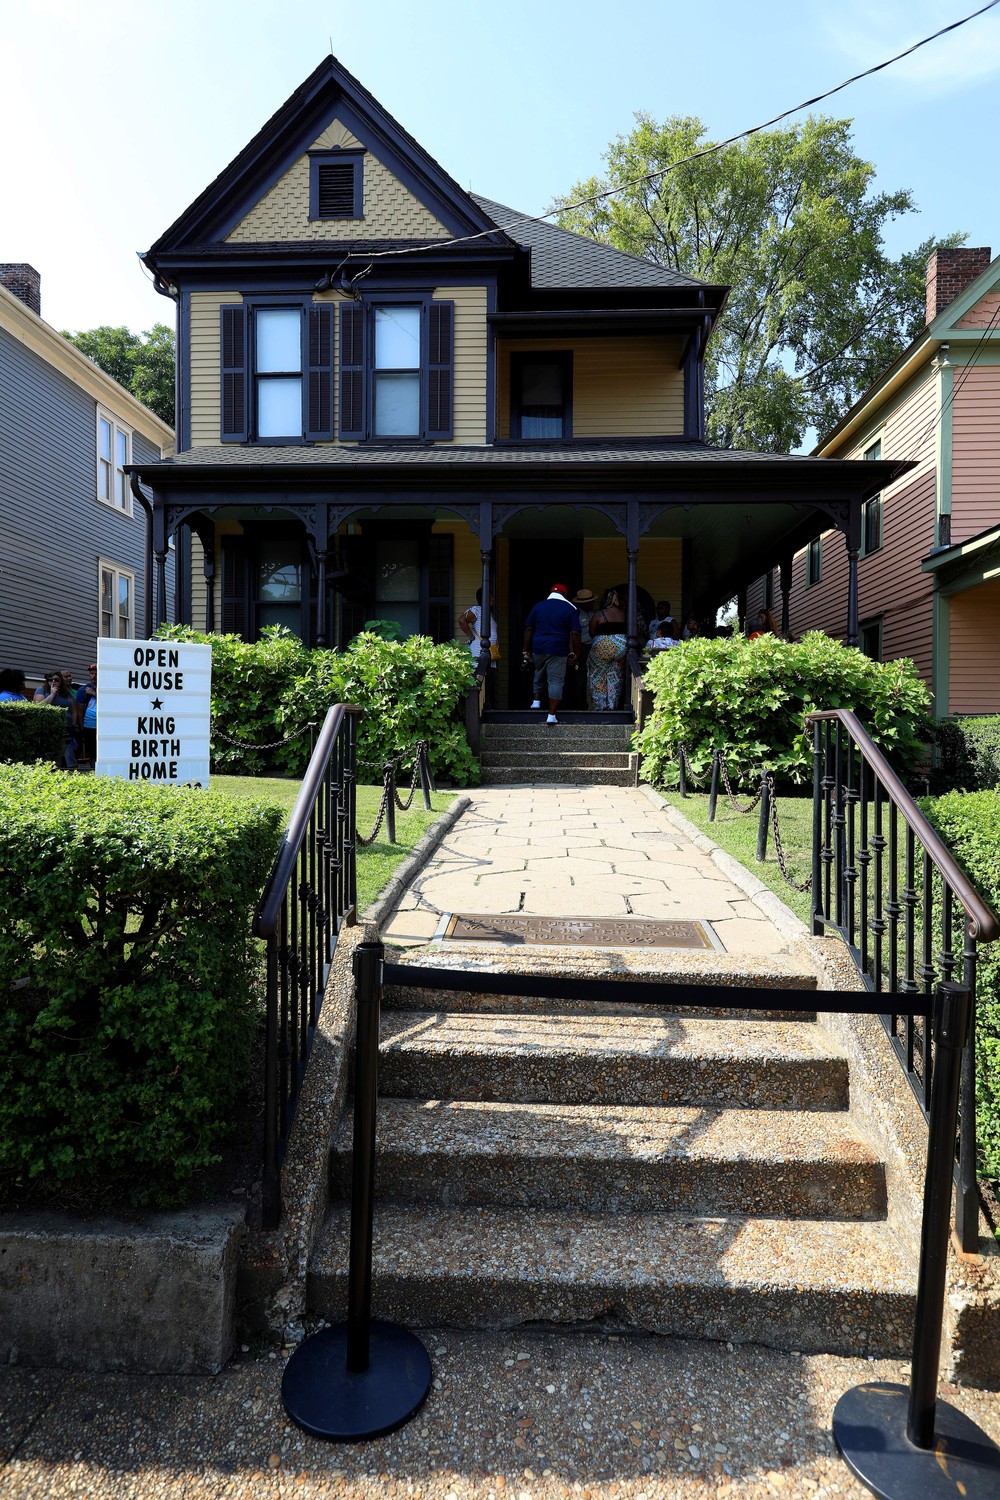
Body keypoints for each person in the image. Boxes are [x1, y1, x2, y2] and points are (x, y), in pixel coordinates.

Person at [522, 583, 580, 725]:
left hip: (538, 646)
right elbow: (575, 632)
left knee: (539, 671)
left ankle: (536, 701)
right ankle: (551, 715)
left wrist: (525, 649)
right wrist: (576, 652)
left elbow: (529, 629)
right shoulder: (570, 608)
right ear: (564, 595)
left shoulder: (538, 606)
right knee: (555, 680)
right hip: (558, 648)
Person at [587, 589, 628, 711]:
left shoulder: (600, 614)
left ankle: (600, 706)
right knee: (615, 676)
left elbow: (592, 632)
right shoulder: (624, 614)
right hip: (621, 649)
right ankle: (612, 706)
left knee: (598, 676)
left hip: (601, 648)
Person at [35, 670, 79, 768]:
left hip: (65, 727)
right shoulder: (41, 690)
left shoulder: (66, 692)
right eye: (50, 680)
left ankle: (58, 772)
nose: (53, 682)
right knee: (49, 753)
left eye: (56, 680)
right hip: (48, 726)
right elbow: (38, 707)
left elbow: (73, 710)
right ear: (47, 681)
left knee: (60, 752)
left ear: (61, 681)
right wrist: (52, 695)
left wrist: (73, 724)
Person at [571, 587, 598, 708]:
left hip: (595, 647)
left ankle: (596, 705)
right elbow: (572, 635)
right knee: (580, 677)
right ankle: (580, 705)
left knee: (596, 676)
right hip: (581, 648)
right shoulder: (575, 615)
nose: (592, 604)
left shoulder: (596, 614)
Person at [458, 588, 498, 663]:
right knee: (478, 674)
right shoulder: (477, 610)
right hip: (478, 652)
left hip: (490, 653)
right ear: (483, 598)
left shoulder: (489, 613)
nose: (492, 599)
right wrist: (471, 637)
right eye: (490, 596)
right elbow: (461, 620)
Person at [75, 663, 98, 766]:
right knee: (92, 751)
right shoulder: (82, 690)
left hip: (104, 724)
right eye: (92, 673)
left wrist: (94, 693)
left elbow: (111, 703)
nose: (94, 676)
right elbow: (79, 709)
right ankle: (93, 770)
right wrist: (81, 726)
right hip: (89, 724)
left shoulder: (108, 689)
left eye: (97, 673)